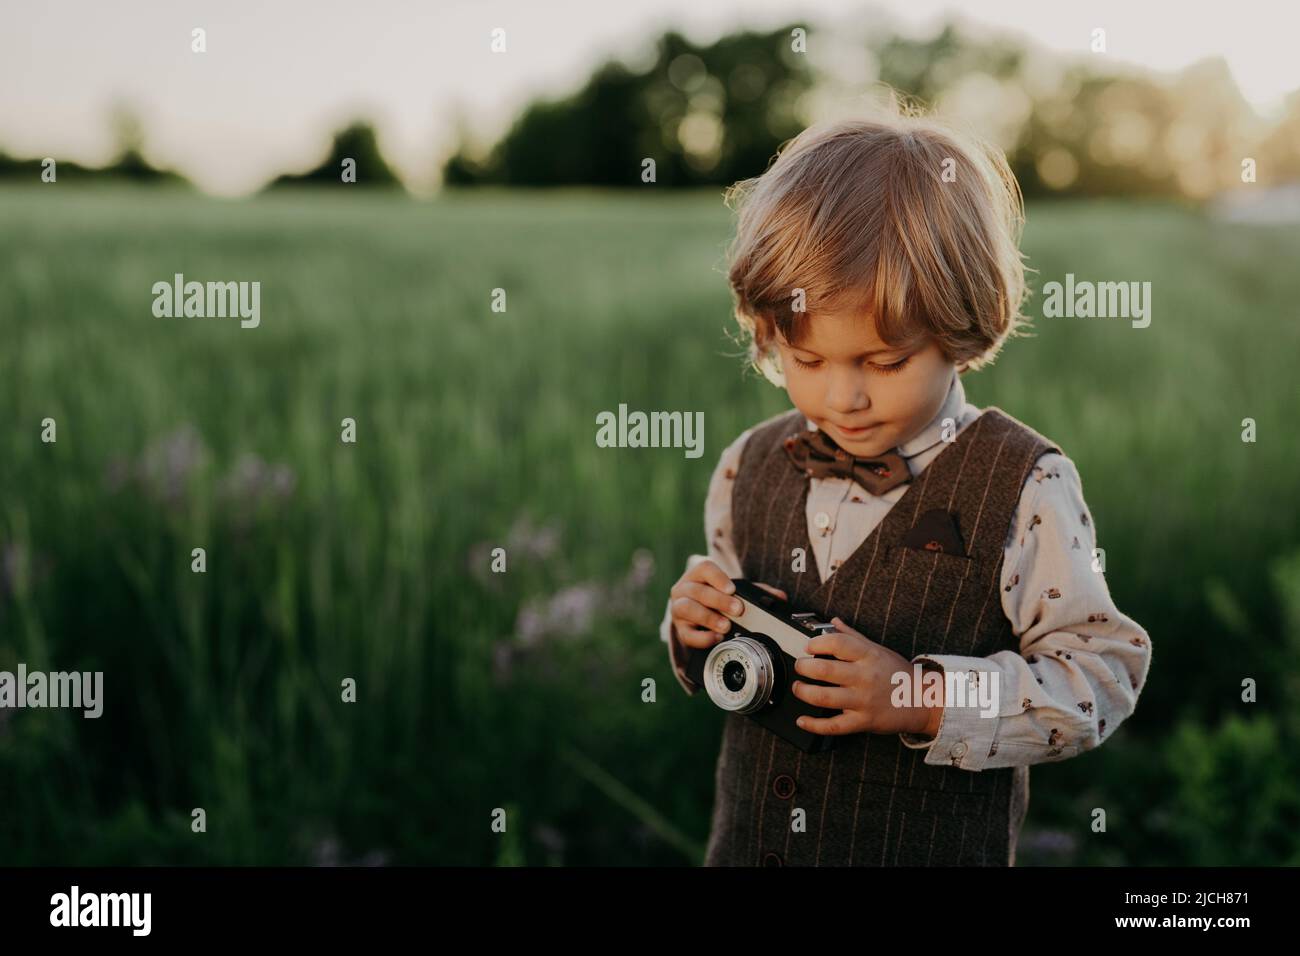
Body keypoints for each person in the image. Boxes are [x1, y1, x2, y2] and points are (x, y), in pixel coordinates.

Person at [661, 105, 1152, 867]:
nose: (842, 398)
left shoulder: (1023, 486)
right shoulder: (746, 467)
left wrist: (917, 698)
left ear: (962, 327)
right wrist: (695, 631)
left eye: (884, 363)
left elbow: (1097, 678)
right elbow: (739, 654)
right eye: (808, 360)